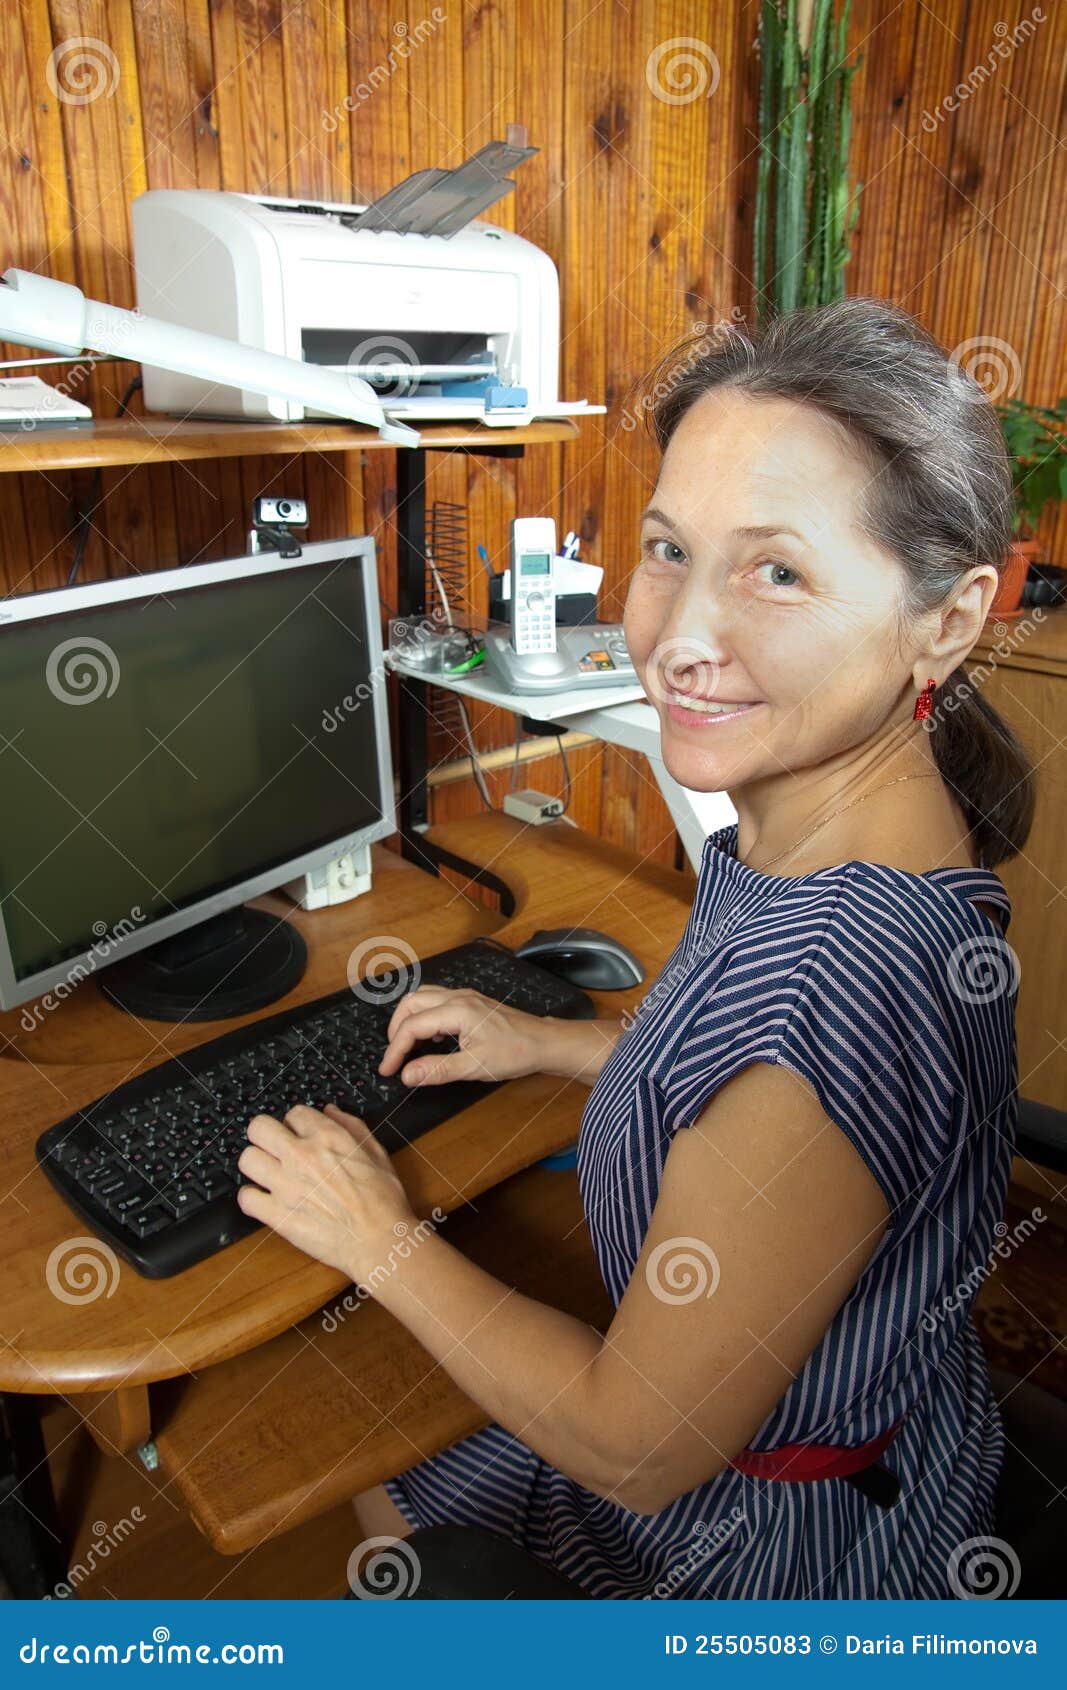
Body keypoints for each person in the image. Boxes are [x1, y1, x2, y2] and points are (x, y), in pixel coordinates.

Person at [236, 297, 1033, 1599]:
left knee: (365, 1485)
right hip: (907, 1432)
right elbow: (750, 1109)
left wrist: (371, 1232)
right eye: (671, 549)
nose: (682, 637)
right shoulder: (828, 834)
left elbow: (634, 1443)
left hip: (771, 1557)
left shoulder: (844, 983)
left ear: (948, 619)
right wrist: (554, 1038)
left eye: (778, 570)